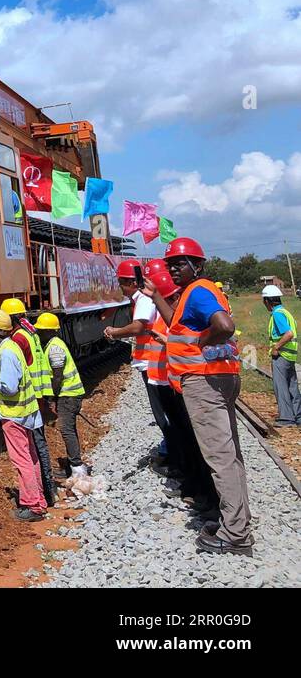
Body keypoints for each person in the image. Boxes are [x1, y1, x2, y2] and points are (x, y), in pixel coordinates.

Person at [146, 237, 252, 556]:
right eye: (170, 265)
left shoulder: (199, 290)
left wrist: (203, 341)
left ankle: (235, 534)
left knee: (219, 457)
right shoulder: (197, 293)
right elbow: (178, 325)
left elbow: (224, 325)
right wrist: (155, 295)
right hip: (219, 377)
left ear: (198, 265)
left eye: (180, 263)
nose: (173, 269)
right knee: (229, 455)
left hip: (205, 383)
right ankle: (236, 521)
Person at [0, 308, 46, 520]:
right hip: (25, 411)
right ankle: (39, 499)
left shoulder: (7, 351)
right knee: (31, 456)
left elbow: (9, 388)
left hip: (13, 413)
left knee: (21, 459)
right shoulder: (11, 345)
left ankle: (32, 506)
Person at [104, 260, 170, 463]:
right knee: (165, 410)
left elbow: (138, 327)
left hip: (152, 362)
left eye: (121, 282)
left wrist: (115, 332)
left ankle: (171, 451)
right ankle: (171, 447)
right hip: (153, 361)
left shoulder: (142, 299)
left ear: (131, 282)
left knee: (163, 412)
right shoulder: (143, 298)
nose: (120, 287)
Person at [1, 297, 54, 505]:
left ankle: (41, 498)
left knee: (33, 449)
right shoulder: (29, 331)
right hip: (37, 394)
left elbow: (16, 370)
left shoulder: (19, 338)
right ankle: (46, 495)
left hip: (27, 398)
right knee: (36, 447)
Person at [34, 313, 86, 476]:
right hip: (69, 394)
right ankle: (75, 464)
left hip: (68, 394)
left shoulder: (55, 347)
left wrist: (52, 397)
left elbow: (57, 375)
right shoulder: (52, 343)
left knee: (66, 429)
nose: (39, 333)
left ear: (50, 331)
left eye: (42, 330)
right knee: (68, 428)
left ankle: (76, 467)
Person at [262, 284, 299, 426]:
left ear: (267, 301)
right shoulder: (285, 312)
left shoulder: (277, 314)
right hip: (291, 356)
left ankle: (286, 418)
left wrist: (276, 347)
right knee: (292, 386)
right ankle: (298, 416)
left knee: (281, 386)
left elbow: (288, 334)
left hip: (282, 355)